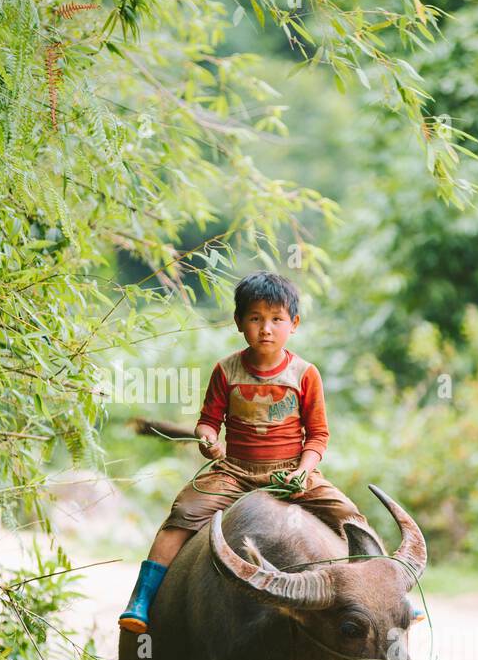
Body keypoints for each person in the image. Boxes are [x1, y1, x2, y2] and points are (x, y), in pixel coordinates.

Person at [119, 270, 409, 632]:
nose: (266, 329)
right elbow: (208, 420)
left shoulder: (305, 374)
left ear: (294, 324)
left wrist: (303, 470)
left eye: (276, 319)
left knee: (350, 517)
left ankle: (392, 598)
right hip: (235, 471)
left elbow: (318, 436)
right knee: (182, 513)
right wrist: (208, 439)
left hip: (291, 473)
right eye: (255, 318)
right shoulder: (226, 370)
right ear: (239, 322)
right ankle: (142, 599)